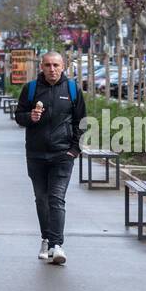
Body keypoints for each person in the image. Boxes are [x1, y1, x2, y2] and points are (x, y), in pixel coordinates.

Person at [14, 51, 85, 265]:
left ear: (63, 66)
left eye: (55, 65)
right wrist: (30, 117)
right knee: (41, 199)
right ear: (41, 67)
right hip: (36, 154)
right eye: (47, 65)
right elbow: (19, 116)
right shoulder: (31, 89)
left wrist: (74, 150)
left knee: (56, 198)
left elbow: (82, 122)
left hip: (62, 154)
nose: (51, 69)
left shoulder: (72, 90)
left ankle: (57, 245)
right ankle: (45, 239)